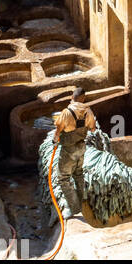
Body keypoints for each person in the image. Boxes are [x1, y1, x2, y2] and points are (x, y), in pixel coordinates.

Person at [38, 86, 96, 221]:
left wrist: (54, 141)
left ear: (72, 98)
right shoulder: (88, 111)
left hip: (68, 150)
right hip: (81, 147)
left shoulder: (66, 112)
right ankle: (83, 200)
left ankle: (74, 208)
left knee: (63, 178)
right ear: (83, 98)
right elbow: (92, 129)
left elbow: (58, 129)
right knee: (78, 173)